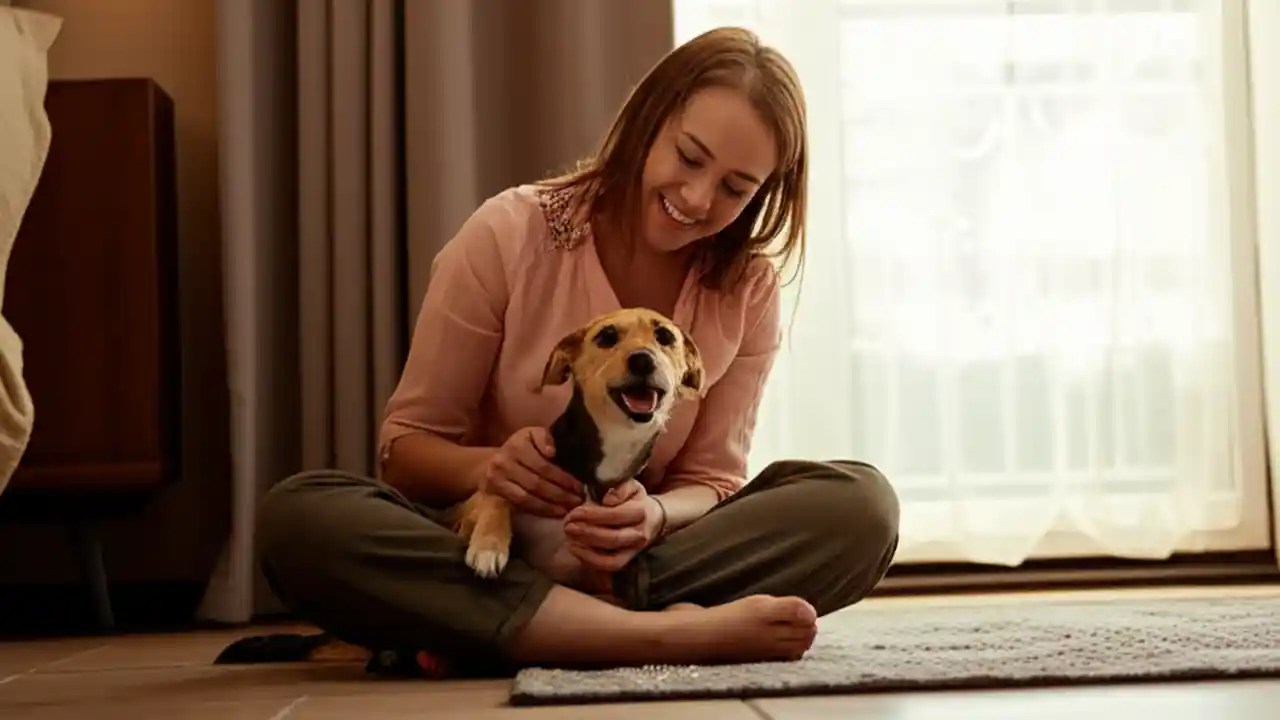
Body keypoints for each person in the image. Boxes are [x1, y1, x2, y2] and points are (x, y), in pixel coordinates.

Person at [255, 26, 899, 675]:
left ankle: (516, 630)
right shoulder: (507, 233)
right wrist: (491, 470)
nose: (699, 199)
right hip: (488, 547)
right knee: (301, 518)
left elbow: (712, 482)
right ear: (649, 121)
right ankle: (656, 637)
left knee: (860, 508)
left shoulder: (747, 288)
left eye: (736, 188)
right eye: (689, 156)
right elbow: (406, 452)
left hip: (630, 562)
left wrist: (652, 514)